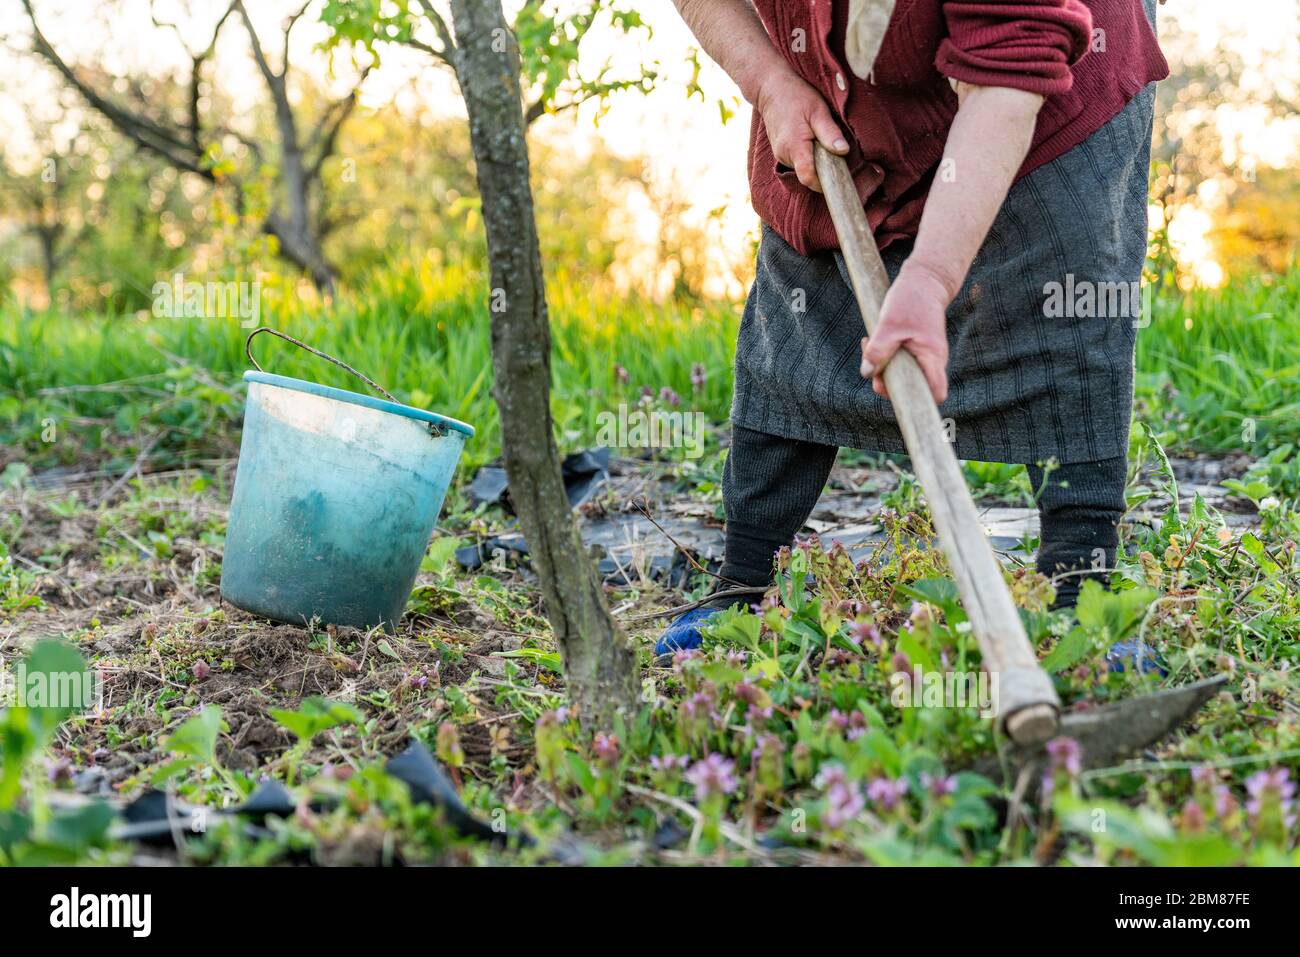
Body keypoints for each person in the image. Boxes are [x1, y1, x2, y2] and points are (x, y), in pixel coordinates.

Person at [660, 0, 1166, 655]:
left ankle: (1081, 598)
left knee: (1064, 304)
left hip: (1041, 97)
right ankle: (742, 586)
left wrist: (928, 278)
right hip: (830, 87)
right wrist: (770, 83)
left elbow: (1010, 68)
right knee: (798, 311)